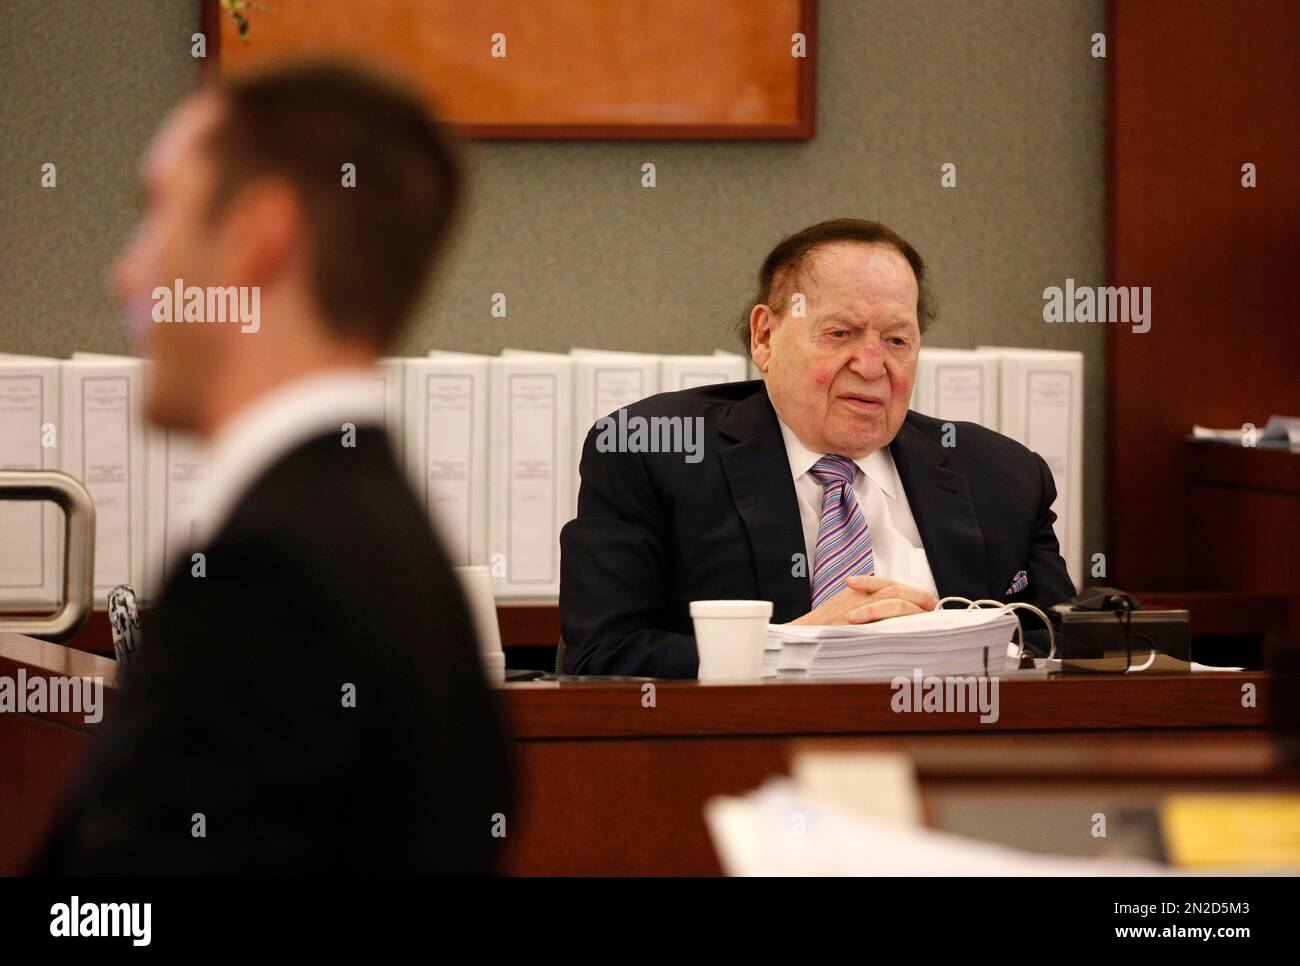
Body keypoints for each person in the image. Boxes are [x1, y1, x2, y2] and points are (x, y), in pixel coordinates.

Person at [34, 62, 510, 873]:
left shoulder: (270, 577)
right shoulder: (390, 541)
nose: (127, 274)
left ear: (259, 235)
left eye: (156, 215)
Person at [560, 218, 1076, 678]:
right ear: (764, 337)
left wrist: (945, 644)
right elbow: (605, 654)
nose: (872, 366)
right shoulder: (652, 452)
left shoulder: (1003, 475)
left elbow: (1066, 645)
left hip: (949, 758)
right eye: (840, 333)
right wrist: (797, 646)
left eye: (897, 340)